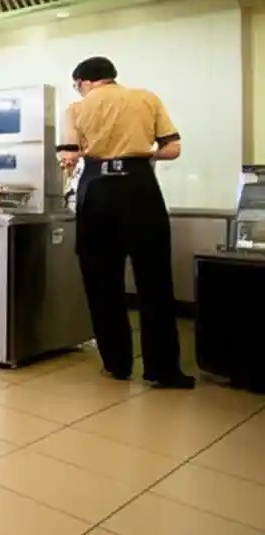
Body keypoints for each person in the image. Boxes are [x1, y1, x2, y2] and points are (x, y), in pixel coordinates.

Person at [57, 56, 195, 389]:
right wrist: (147, 154)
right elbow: (173, 148)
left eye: (78, 85)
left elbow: (68, 155)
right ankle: (163, 370)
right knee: (155, 281)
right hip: (140, 188)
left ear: (86, 82)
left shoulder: (77, 108)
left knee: (102, 281)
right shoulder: (147, 97)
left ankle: (116, 364)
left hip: (97, 191)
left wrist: (75, 158)